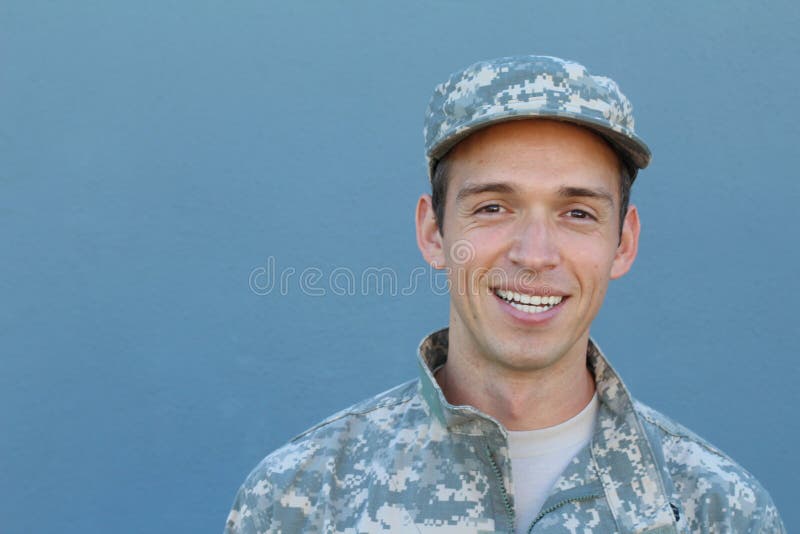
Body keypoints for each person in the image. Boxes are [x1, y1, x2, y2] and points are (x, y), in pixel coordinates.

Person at [225, 55, 785, 533]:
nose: (535, 254)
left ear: (624, 242)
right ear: (434, 233)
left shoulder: (715, 510)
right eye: (493, 207)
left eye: (577, 213)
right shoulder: (304, 498)